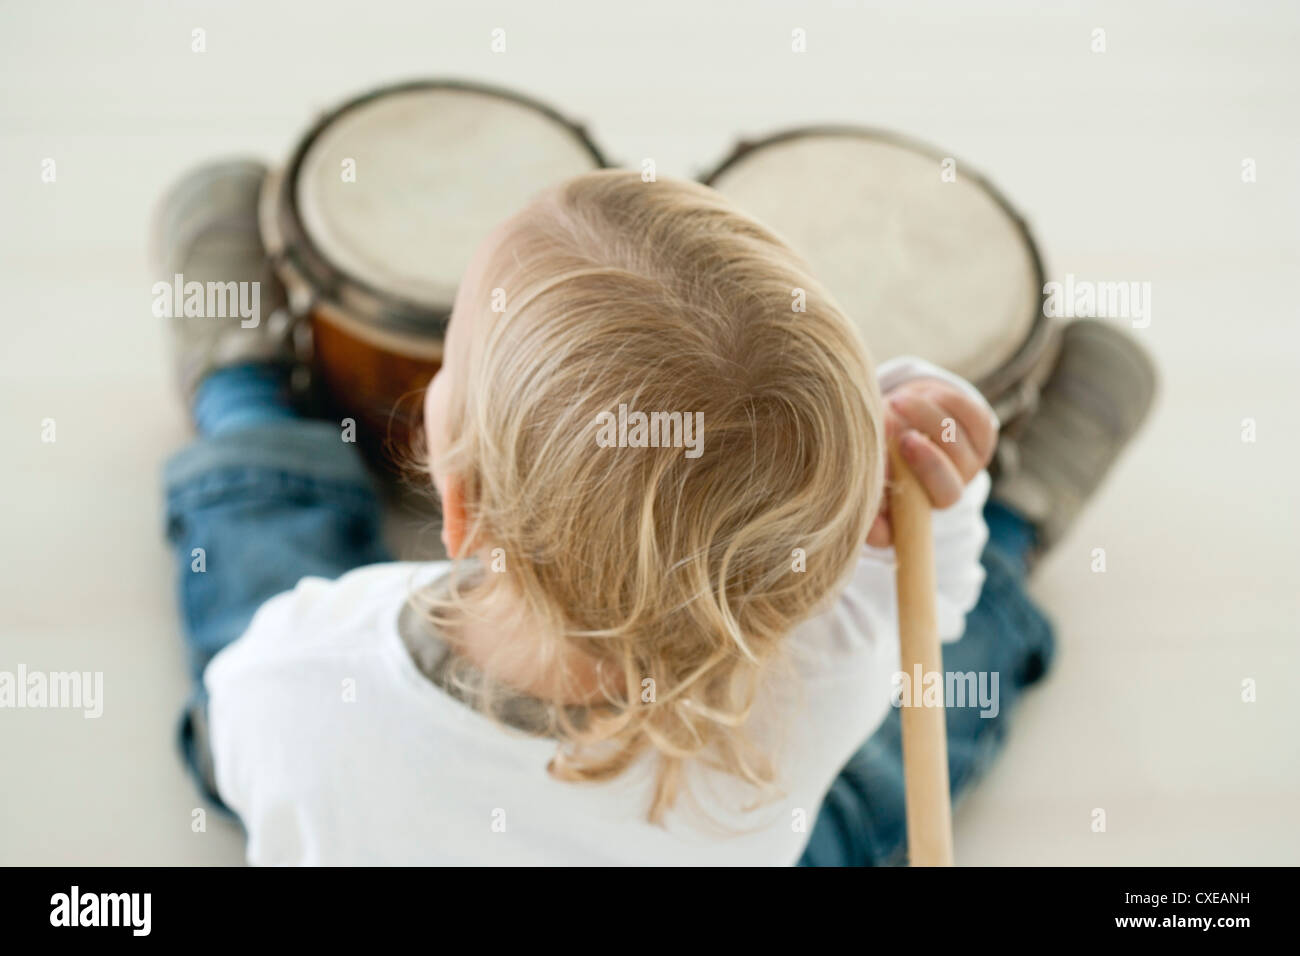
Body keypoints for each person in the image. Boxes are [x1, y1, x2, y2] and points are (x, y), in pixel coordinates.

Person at [158, 162, 1155, 865]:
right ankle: (1016, 520)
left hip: (350, 786)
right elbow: (920, 597)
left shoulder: (305, 671)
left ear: (459, 509)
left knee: (248, 613)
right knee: (890, 757)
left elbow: (250, 718)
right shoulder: (820, 677)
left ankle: (244, 396)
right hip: (733, 839)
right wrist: (933, 475)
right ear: (834, 535)